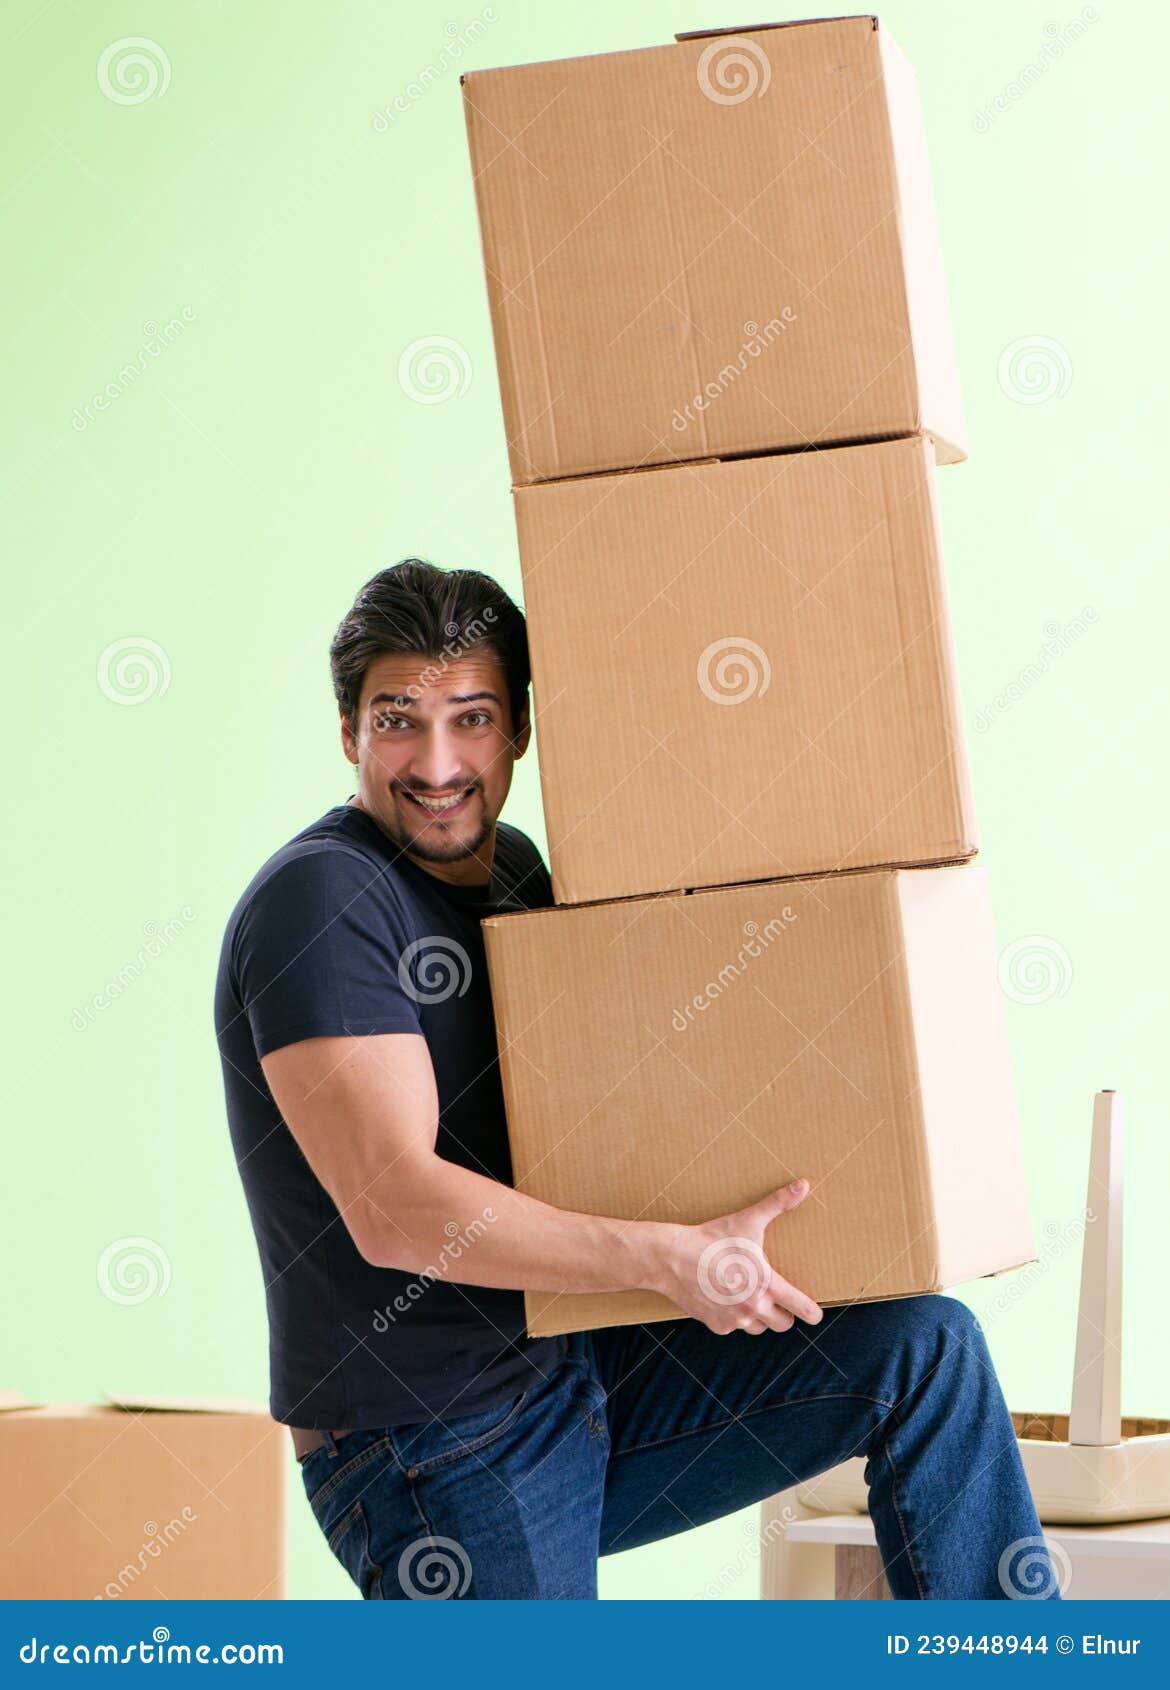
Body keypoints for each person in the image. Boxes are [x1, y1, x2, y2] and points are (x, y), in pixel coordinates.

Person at [214, 559, 1059, 1601]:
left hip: (579, 1370)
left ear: (519, 726)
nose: (438, 761)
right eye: (399, 720)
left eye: (471, 718)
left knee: (922, 1349)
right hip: (432, 1440)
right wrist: (667, 1260)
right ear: (350, 733)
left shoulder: (514, 871)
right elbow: (395, 1207)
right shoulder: (326, 901)